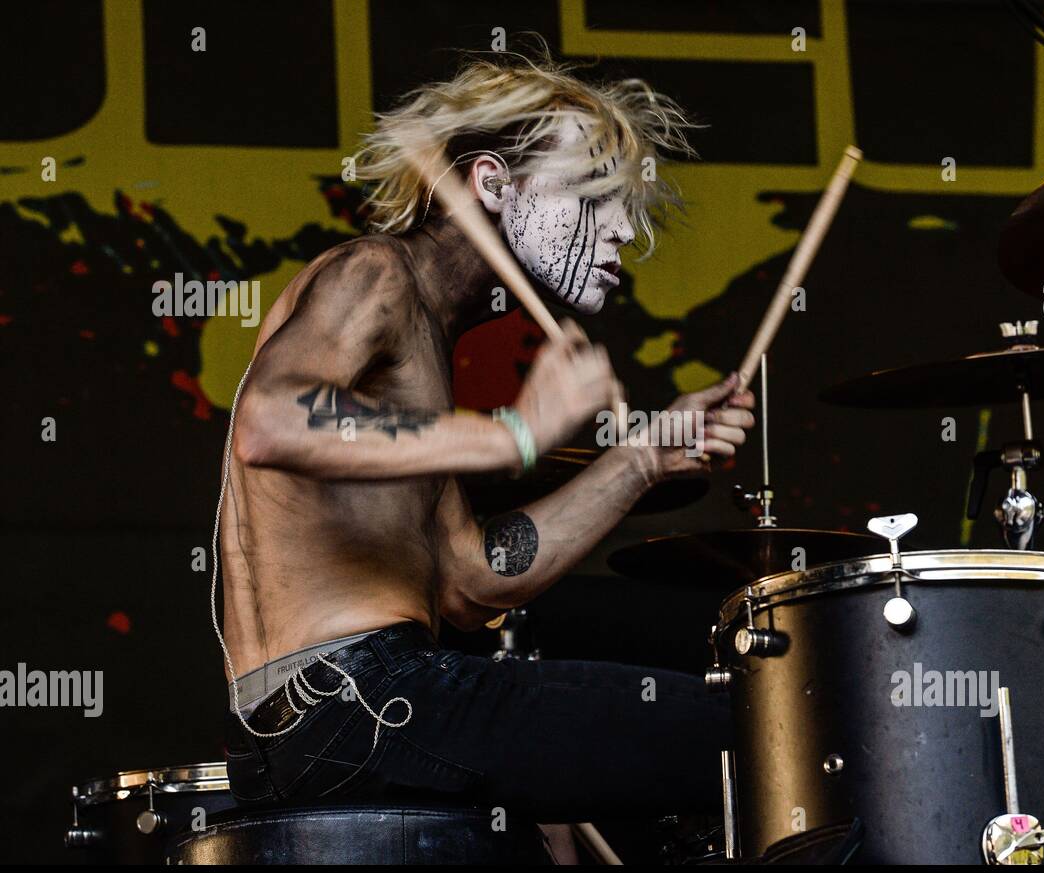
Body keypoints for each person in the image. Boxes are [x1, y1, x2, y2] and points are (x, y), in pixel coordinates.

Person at [218, 51, 755, 824]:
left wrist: (643, 460)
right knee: (752, 735)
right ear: (493, 184)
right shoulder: (375, 273)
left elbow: (473, 581)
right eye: (597, 195)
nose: (626, 230)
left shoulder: (429, 341)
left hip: (331, 720)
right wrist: (514, 433)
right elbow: (267, 420)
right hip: (356, 696)